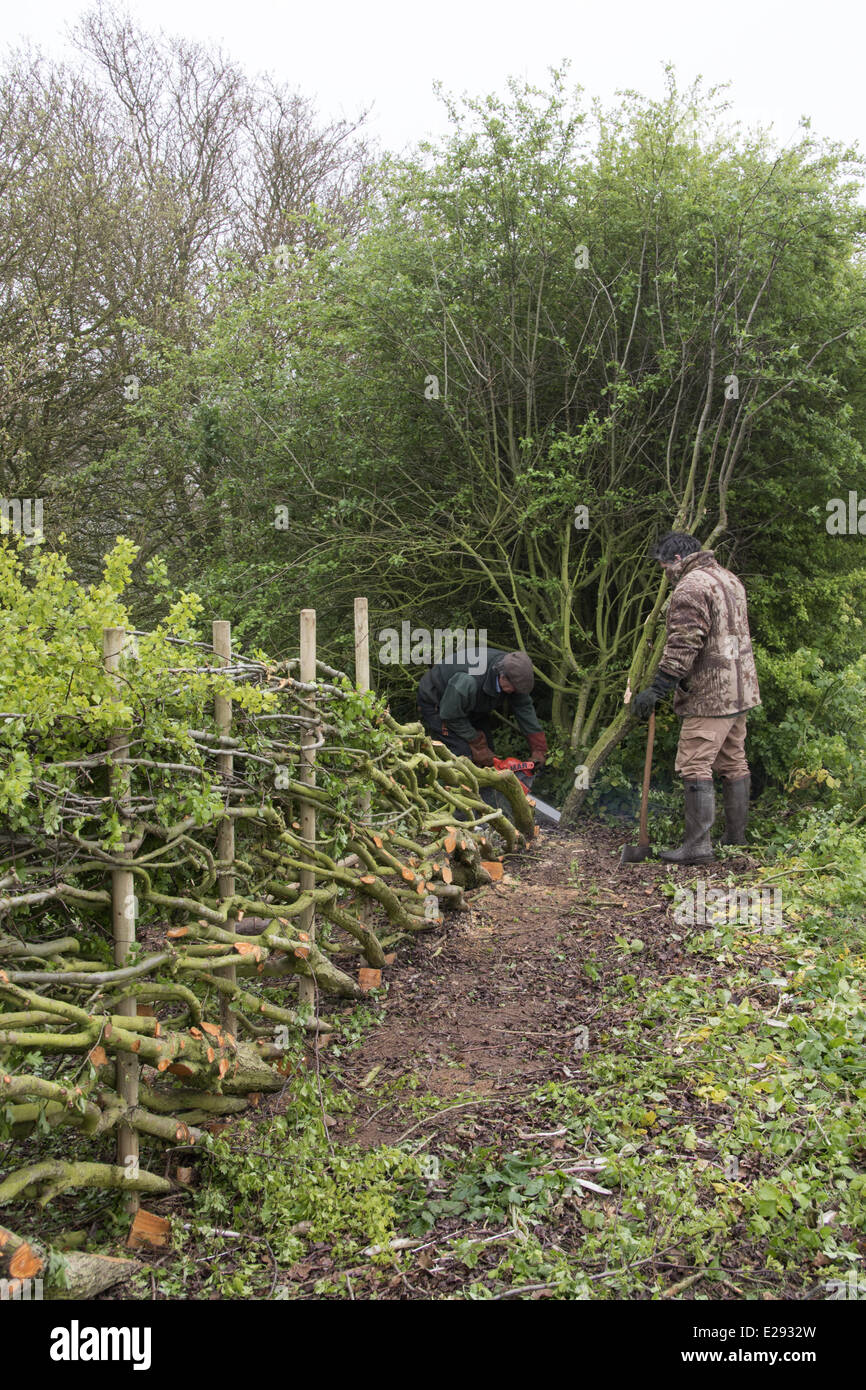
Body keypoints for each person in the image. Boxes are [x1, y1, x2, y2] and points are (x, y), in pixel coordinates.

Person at [631, 532, 760, 863]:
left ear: (677, 561)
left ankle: (698, 847)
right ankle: (735, 840)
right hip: (741, 688)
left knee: (694, 762)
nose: (664, 573)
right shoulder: (728, 578)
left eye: (663, 566)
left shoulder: (691, 587)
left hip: (711, 694)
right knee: (733, 760)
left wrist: (658, 689)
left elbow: (685, 642)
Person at [417, 648, 548, 769]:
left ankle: (487, 791)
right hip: (439, 703)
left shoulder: (515, 673)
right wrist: (475, 741)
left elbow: (524, 707)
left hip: (471, 703)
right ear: (502, 676)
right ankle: (447, 789)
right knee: (463, 753)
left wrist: (538, 748)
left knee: (488, 755)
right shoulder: (468, 681)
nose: (514, 692)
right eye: (513, 688)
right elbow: (450, 715)